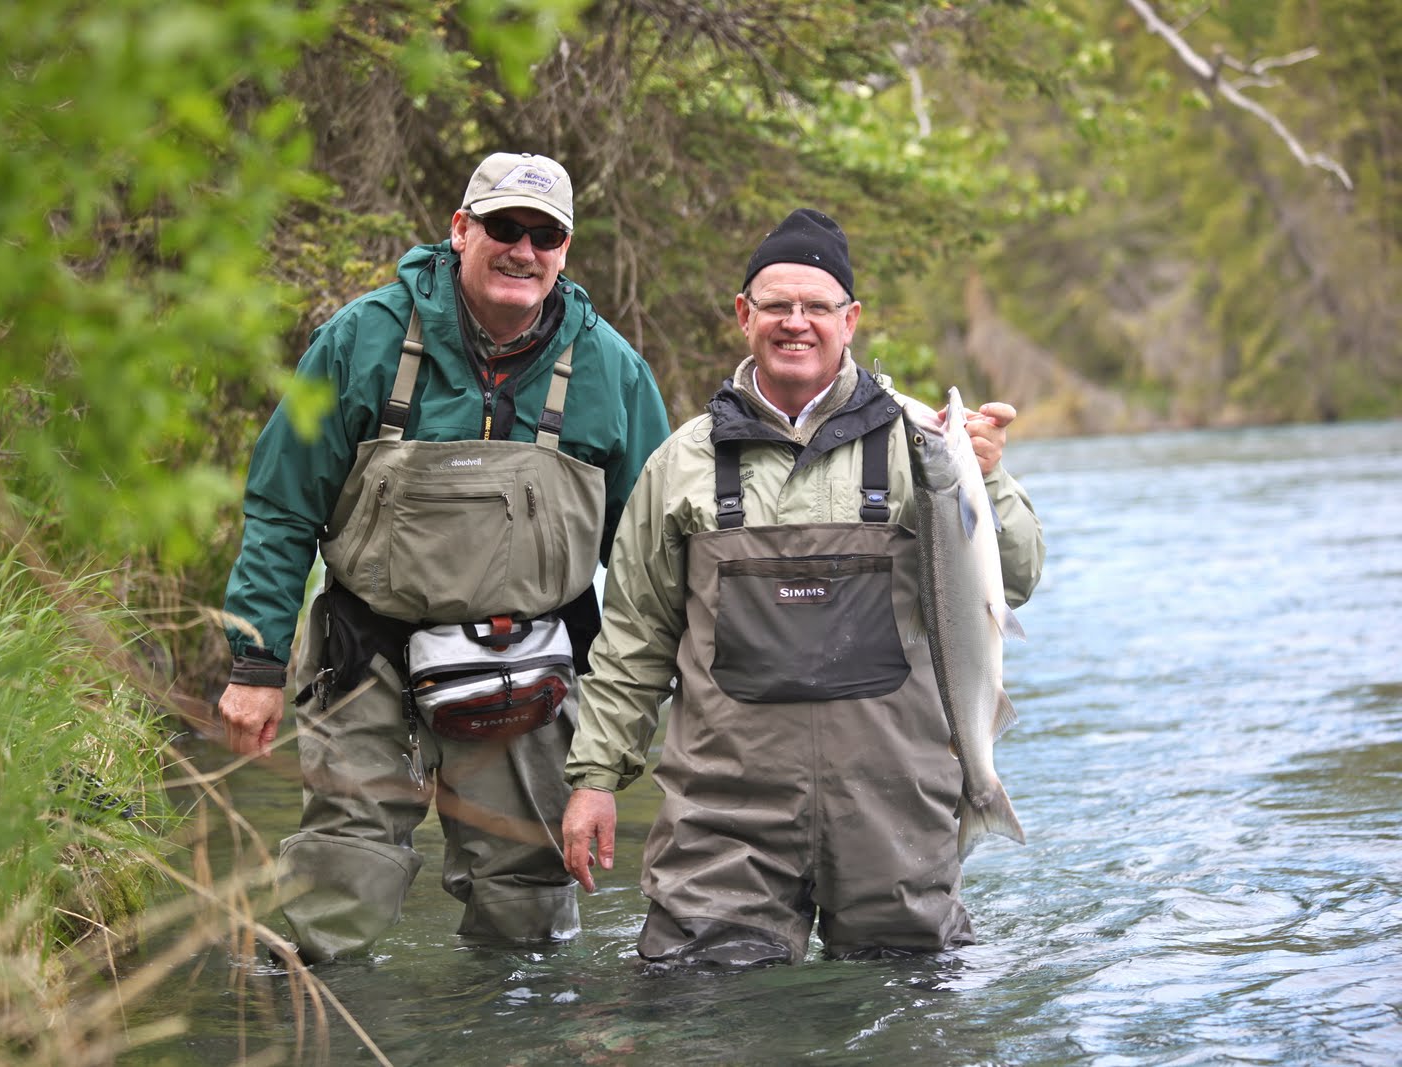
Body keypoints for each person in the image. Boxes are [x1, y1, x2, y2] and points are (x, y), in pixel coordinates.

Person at [560, 208, 1045, 966]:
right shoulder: (679, 463)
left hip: (895, 811)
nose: (797, 323)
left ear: (850, 320)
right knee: (699, 1012)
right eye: (777, 305)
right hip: (724, 820)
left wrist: (989, 478)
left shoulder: (925, 443)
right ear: (743, 316)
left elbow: (1014, 576)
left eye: (817, 307)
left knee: (907, 1018)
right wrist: (594, 779)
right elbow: (633, 641)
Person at [218, 151, 671, 962]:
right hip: (367, 653)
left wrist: (668, 698)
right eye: (504, 227)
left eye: (545, 235)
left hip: (530, 667)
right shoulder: (364, 337)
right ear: (461, 229)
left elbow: (650, 564)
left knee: (526, 911)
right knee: (338, 884)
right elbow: (284, 504)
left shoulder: (613, 370)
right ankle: (319, 1024)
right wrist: (254, 667)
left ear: (565, 251)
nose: (523, 250)